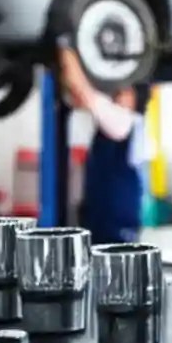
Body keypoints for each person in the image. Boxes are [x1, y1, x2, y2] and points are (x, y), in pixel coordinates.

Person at [56, 41, 148, 244]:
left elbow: (82, 92)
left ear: (134, 98)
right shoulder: (120, 122)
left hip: (113, 224)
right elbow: (78, 96)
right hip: (106, 218)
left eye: (123, 91)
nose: (115, 94)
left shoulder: (122, 121)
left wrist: (65, 46)